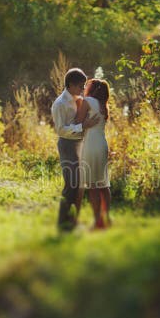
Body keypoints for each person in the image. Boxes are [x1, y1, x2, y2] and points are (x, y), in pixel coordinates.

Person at [51, 68, 101, 230]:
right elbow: (60, 129)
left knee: (79, 185)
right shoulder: (60, 104)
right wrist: (83, 125)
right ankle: (62, 223)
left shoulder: (78, 98)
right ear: (70, 85)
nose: (82, 89)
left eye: (84, 85)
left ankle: (73, 222)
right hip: (67, 144)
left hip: (80, 144)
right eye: (80, 86)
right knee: (71, 185)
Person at [75, 78, 111, 229]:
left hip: (90, 144)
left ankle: (98, 221)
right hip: (102, 144)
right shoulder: (104, 106)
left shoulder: (88, 101)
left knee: (92, 185)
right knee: (103, 183)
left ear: (92, 89)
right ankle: (107, 218)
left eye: (87, 86)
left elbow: (78, 121)